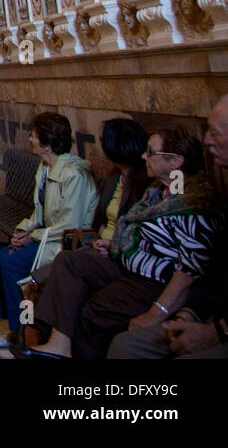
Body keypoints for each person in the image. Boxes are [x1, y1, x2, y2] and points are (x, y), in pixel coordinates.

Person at [27, 127, 219, 359]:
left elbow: (189, 268)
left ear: (176, 161)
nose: (143, 156)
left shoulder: (193, 206)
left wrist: (157, 312)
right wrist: (114, 245)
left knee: (92, 308)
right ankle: (57, 341)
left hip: (152, 281)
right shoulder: (161, 191)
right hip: (127, 264)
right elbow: (148, 233)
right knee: (69, 262)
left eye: (151, 152)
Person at [108, 96, 228, 359]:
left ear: (176, 162)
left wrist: (216, 331)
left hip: (161, 285)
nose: (207, 140)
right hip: (203, 308)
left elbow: (193, 264)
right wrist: (190, 314)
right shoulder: (155, 190)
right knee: (123, 344)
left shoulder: (195, 201)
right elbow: (216, 275)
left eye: (215, 132)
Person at [0, 112, 99, 348]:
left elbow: (70, 224)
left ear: (47, 143)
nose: (30, 139)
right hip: (47, 236)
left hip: (68, 243)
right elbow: (39, 213)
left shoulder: (74, 175)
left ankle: (24, 332)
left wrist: (32, 237)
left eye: (34, 135)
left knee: (11, 266)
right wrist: (22, 231)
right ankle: (18, 328)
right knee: (3, 259)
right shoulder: (45, 167)